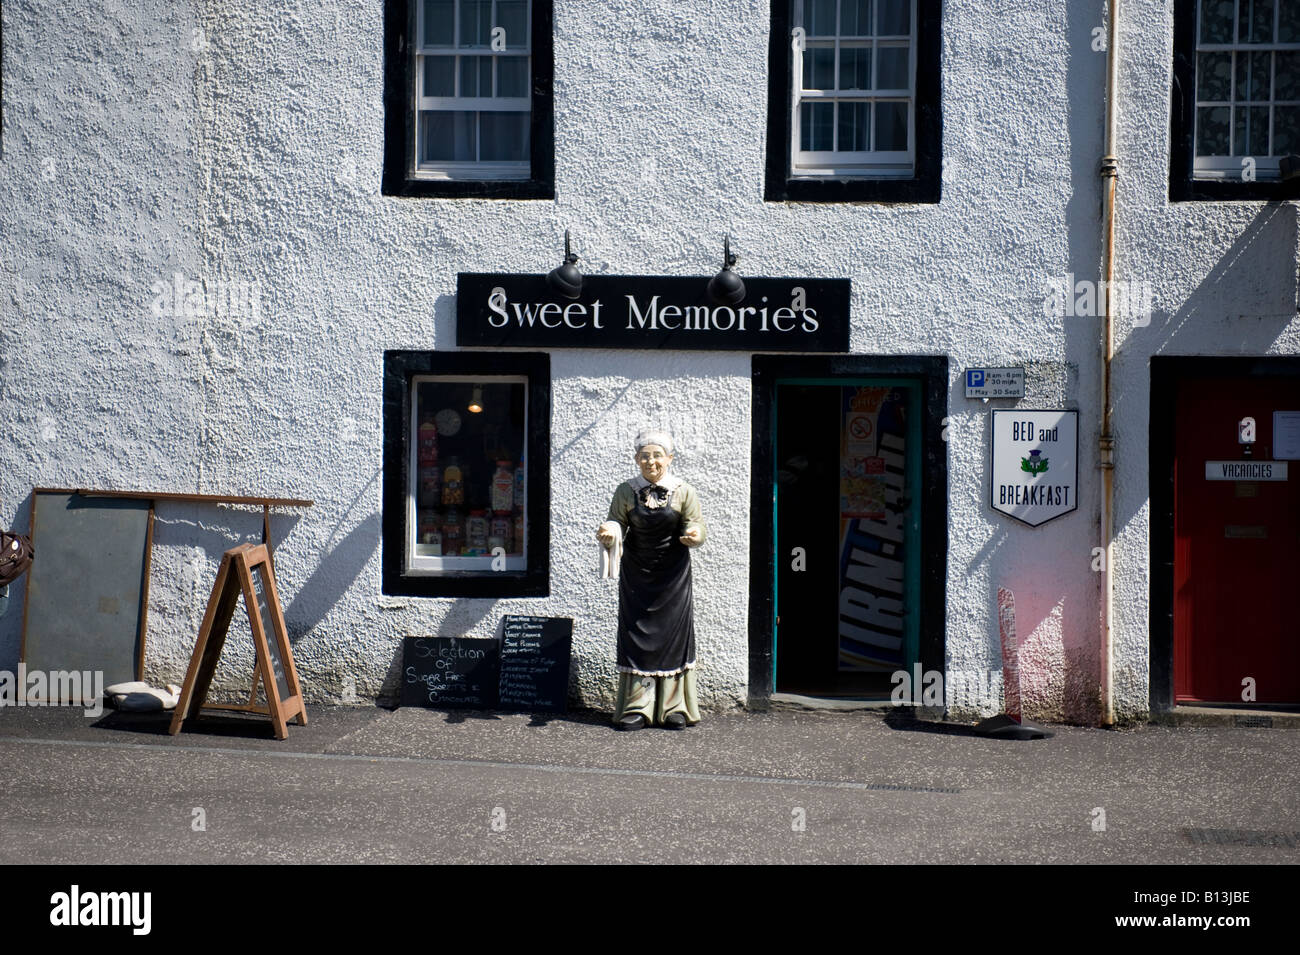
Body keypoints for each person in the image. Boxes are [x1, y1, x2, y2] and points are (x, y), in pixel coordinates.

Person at [596, 430, 706, 730]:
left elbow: (695, 524)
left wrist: (694, 535)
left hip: (673, 576)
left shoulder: (684, 491)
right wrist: (609, 532)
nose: (651, 461)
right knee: (638, 639)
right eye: (645, 456)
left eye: (657, 455)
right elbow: (615, 521)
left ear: (669, 459)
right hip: (636, 576)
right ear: (636, 459)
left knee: (672, 638)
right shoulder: (625, 491)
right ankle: (637, 706)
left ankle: (675, 707)